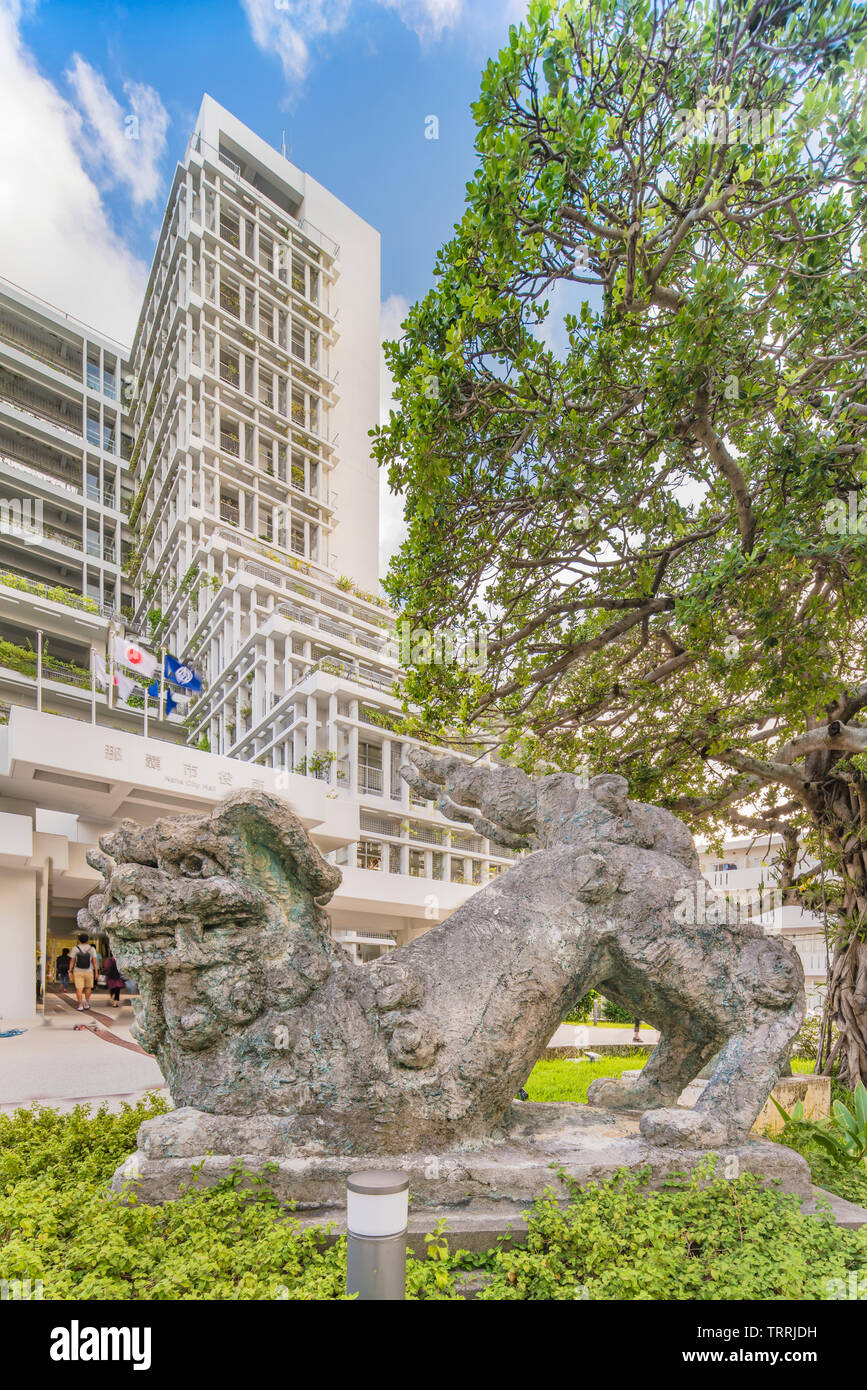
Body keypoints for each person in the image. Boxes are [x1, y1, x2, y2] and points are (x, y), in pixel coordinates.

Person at [70, 932, 98, 1012]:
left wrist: (70, 971)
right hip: (89, 971)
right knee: (88, 987)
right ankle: (86, 1003)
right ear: (88, 940)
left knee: (79, 988)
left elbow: (72, 961)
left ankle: (80, 1005)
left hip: (77, 971)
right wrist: (96, 972)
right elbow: (94, 962)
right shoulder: (92, 949)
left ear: (79, 940)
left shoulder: (75, 948)